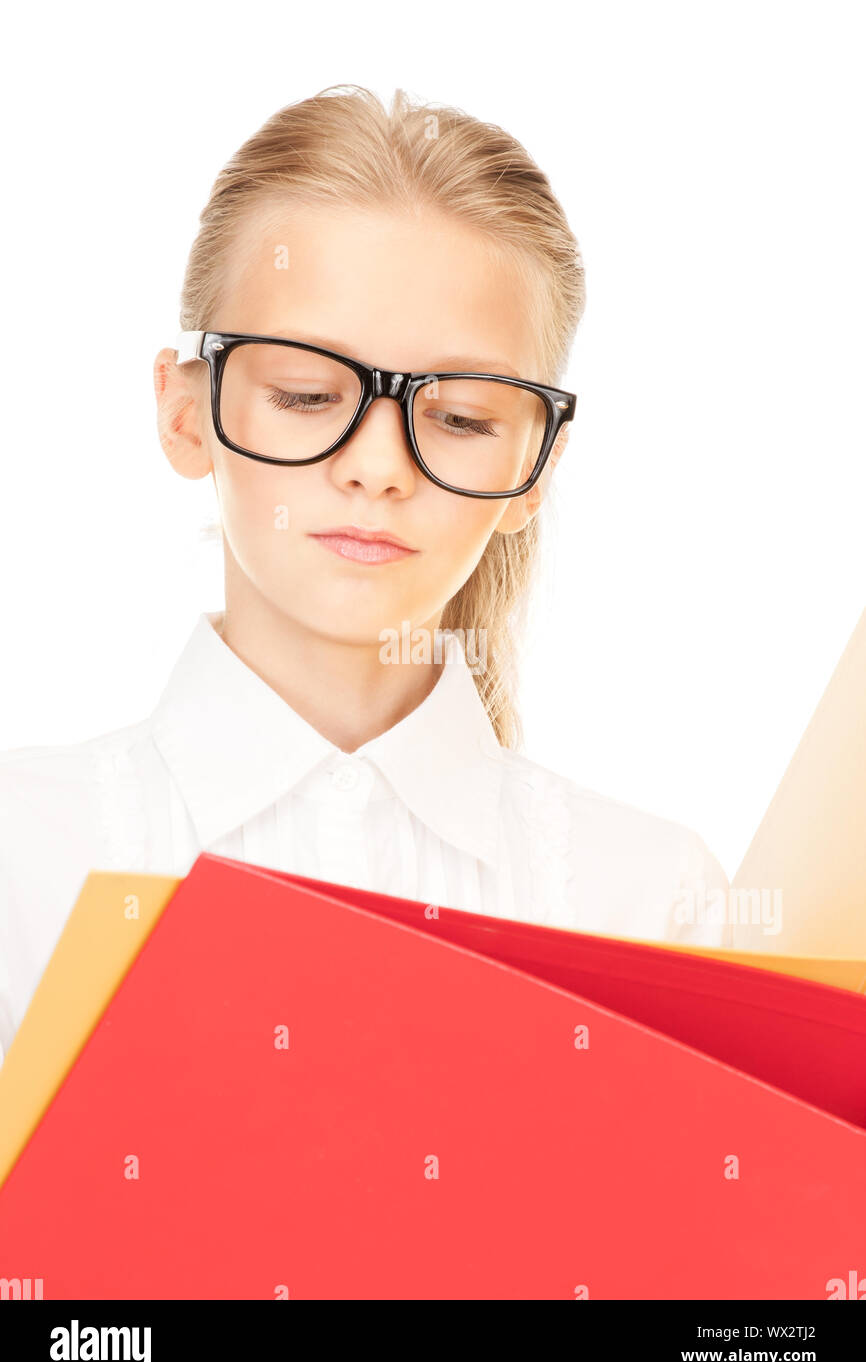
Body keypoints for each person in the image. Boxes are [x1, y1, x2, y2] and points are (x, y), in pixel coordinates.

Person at [0, 85, 730, 1064]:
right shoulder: (23, 857)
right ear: (184, 414)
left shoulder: (647, 898)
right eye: (307, 394)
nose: (377, 466)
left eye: (461, 417)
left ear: (535, 469)